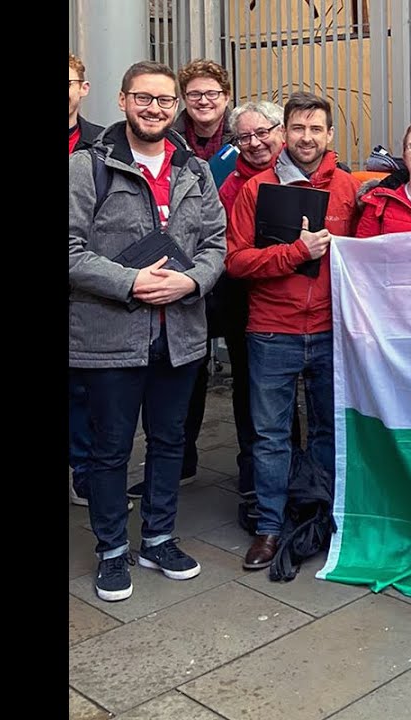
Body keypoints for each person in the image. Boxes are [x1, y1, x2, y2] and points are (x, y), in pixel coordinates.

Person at [69, 60, 228, 602]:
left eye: (164, 100)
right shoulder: (86, 166)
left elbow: (216, 245)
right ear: (122, 100)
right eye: (144, 98)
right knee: (110, 450)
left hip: (179, 334)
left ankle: (158, 537)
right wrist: (132, 280)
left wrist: (189, 283)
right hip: (110, 335)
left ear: (174, 107)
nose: (154, 108)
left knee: (169, 442)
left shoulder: (194, 170)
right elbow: (70, 250)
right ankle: (112, 550)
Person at [225, 92, 361, 571]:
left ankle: (320, 515)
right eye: (298, 128)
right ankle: (268, 525)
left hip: (329, 330)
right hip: (271, 331)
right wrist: (295, 254)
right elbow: (236, 261)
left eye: (316, 129)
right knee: (270, 436)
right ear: (285, 133)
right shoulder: (254, 189)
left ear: (329, 134)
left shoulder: (347, 188)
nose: (307, 137)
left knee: (328, 429)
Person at [132, 59, 236, 502]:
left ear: (226, 98)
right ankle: (180, 461)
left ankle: (253, 474)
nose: (203, 101)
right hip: (179, 277)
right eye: (194, 94)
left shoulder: (245, 138)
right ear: (182, 101)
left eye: (212, 93)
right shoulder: (168, 141)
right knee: (183, 372)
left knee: (248, 376)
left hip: (233, 276)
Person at [216, 100, 288, 531]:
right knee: (251, 391)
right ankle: (255, 481)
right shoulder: (230, 185)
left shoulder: (306, 170)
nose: (256, 143)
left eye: (263, 132)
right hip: (247, 301)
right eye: (245, 137)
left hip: (306, 304)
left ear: (281, 131)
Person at [69, 53, 108, 508]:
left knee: (82, 386)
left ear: (84, 88)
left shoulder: (103, 145)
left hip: (84, 277)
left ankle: (84, 472)